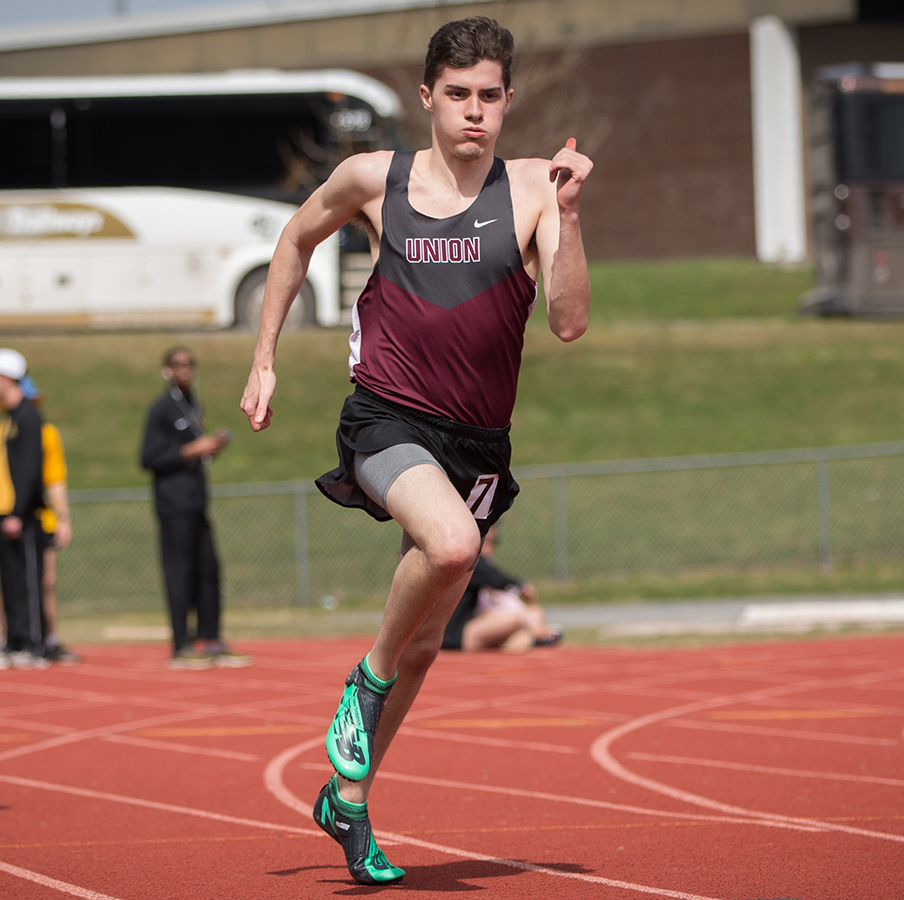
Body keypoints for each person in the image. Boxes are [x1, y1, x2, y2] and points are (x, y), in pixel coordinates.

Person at [238, 16, 591, 885]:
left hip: (478, 444)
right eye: (459, 95)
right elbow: (293, 241)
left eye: (491, 97)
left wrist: (572, 215)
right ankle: (365, 680)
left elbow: (570, 320)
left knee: (432, 640)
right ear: (429, 96)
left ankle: (347, 804)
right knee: (455, 546)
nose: (476, 112)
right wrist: (265, 358)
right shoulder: (372, 178)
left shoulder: (534, 190)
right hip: (387, 419)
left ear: (510, 101)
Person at [141, 346, 250, 670]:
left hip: (197, 501)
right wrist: (191, 450)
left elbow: (195, 450)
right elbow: (148, 458)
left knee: (209, 568)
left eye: (190, 364)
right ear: (167, 369)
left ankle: (210, 638)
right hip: (173, 505)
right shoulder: (161, 409)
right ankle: (181, 643)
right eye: (178, 364)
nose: (186, 369)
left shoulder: (192, 404)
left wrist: (211, 448)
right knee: (179, 572)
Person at [0, 353, 75, 669]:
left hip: (24, 514)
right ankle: (14, 641)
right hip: (6, 511)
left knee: (31, 581)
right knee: (10, 581)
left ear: (6, 378)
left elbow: (31, 470)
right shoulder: (8, 419)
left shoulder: (28, 418)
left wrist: (18, 512)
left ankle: (34, 643)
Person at [440, 525, 561, 653]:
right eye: (485, 542)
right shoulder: (470, 562)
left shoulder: (482, 565)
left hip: (472, 626)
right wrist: (521, 585)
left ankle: (530, 638)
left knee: (530, 617)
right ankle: (539, 635)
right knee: (516, 619)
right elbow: (498, 580)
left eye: (493, 543)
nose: (488, 548)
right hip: (456, 634)